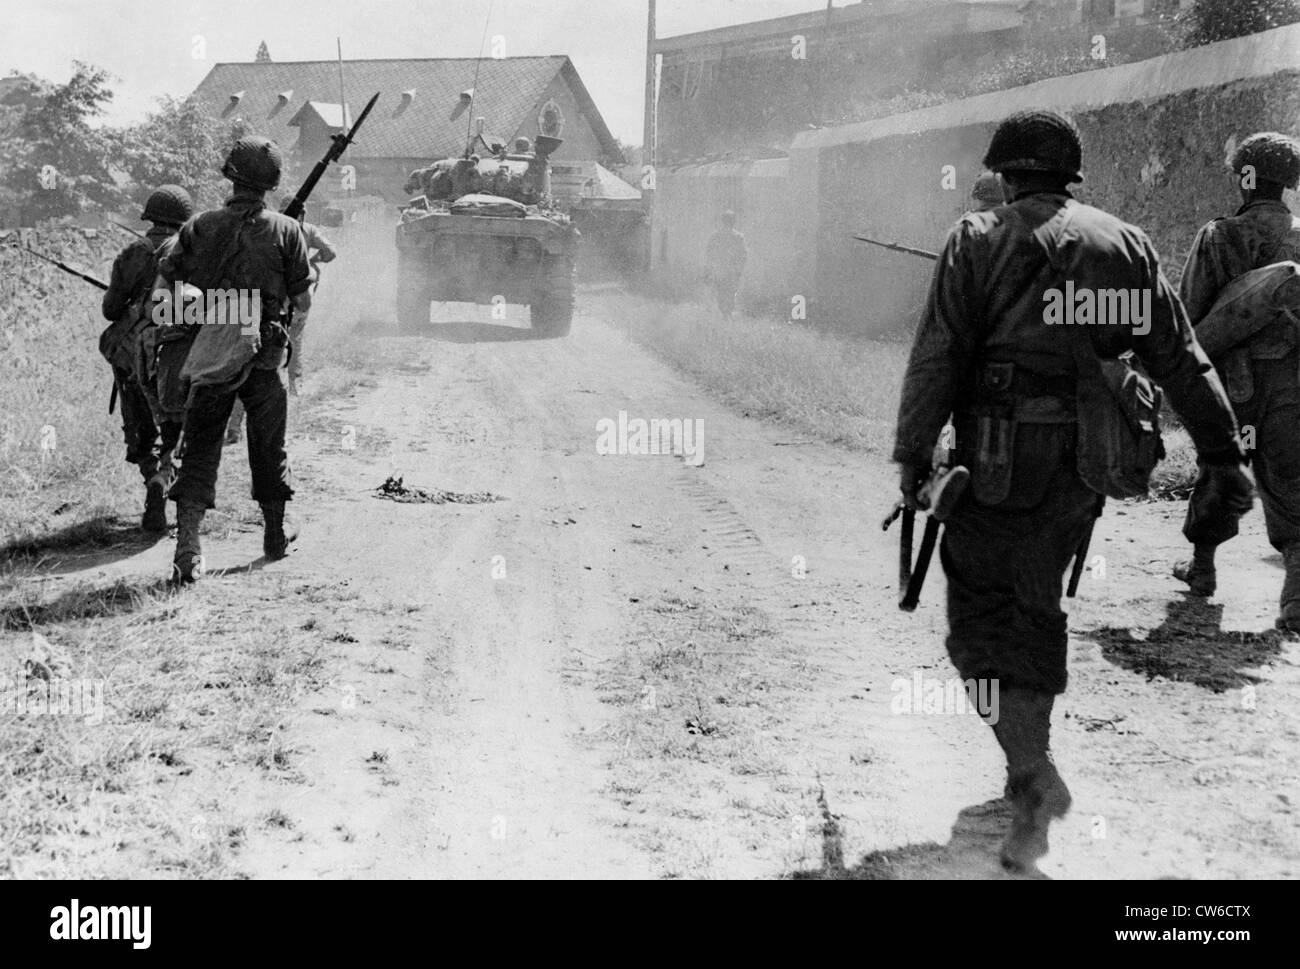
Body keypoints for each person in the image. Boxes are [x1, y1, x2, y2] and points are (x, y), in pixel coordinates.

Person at [892, 109, 1252, 872]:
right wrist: (1221, 451)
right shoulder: (1125, 242)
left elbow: (938, 355)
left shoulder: (976, 238)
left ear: (1006, 171)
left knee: (974, 629)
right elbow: (1180, 357)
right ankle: (1032, 760)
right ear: (1068, 172)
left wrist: (911, 455)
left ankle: (1031, 771)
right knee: (1037, 603)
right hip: (1084, 466)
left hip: (996, 464)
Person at [156, 135, 312, 583]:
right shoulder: (287, 230)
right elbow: (301, 301)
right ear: (272, 182)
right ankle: (275, 536)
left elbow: (168, 282)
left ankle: (188, 549)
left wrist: (207, 310)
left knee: (201, 447)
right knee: (267, 447)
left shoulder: (200, 226)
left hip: (213, 348)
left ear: (230, 175)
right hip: (264, 351)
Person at [1174, 132, 1300, 629]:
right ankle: (1295, 598)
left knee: (1220, 469)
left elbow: (1189, 315)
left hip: (1233, 383)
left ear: (1245, 179)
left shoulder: (1220, 235)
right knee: (1292, 479)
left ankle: (1203, 569)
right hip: (1294, 384)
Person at [99, 184, 194, 532]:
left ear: (150, 216)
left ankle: (151, 478)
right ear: (184, 220)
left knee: (139, 425)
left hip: (131, 353)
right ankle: (165, 479)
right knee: (175, 426)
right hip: (174, 351)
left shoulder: (132, 253)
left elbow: (111, 310)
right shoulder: (192, 252)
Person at [226, 201, 334, 441]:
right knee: (274, 360)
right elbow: (305, 296)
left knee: (247, 361)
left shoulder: (266, 230)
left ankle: (235, 424)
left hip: (257, 305)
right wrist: (311, 264)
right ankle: (290, 390)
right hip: (278, 309)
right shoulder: (304, 233)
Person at [705, 210, 747, 319]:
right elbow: (743, 254)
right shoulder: (736, 236)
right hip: (728, 270)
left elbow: (743, 254)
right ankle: (726, 313)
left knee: (724, 292)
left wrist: (711, 267)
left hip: (724, 270)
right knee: (728, 292)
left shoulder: (719, 236)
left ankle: (726, 313)